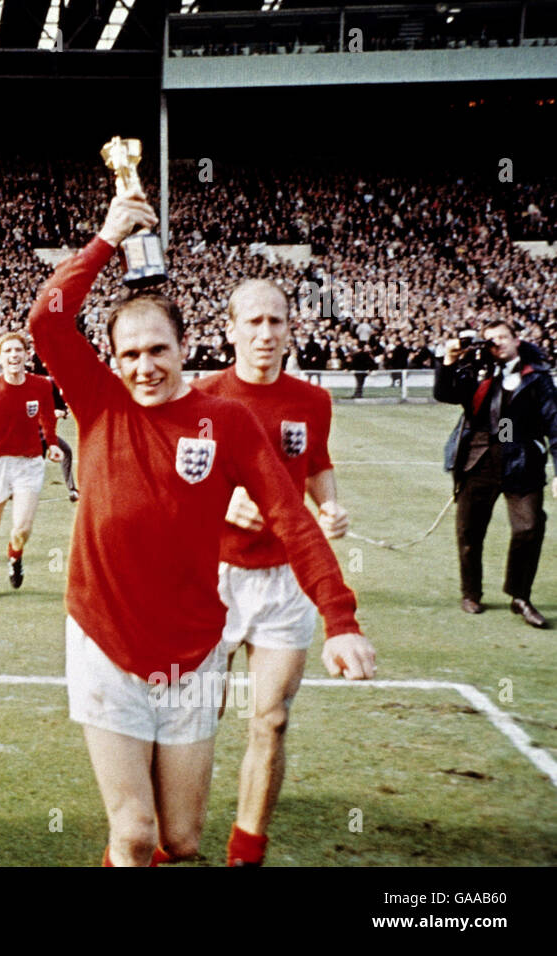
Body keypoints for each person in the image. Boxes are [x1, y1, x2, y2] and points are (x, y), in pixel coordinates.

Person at [29, 187, 374, 868]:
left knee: (179, 842)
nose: (143, 367)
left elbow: (293, 522)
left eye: (158, 350)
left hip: (191, 648)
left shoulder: (228, 422)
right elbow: (47, 321)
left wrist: (342, 617)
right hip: (104, 634)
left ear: (187, 346)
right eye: (127, 355)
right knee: (131, 831)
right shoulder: (98, 403)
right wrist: (103, 241)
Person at [191, 279, 370, 866]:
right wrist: (218, 503)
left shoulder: (313, 401)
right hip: (210, 577)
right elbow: (170, 483)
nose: (265, 334)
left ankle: (247, 848)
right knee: (197, 714)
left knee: (269, 718)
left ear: (291, 329)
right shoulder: (201, 396)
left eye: (276, 322)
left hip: (286, 579)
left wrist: (330, 504)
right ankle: (175, 835)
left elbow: (316, 463)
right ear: (231, 329)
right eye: (253, 322)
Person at [435, 320, 557, 627]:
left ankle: (520, 596)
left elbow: (555, 425)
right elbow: (445, 393)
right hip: (478, 458)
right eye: (491, 339)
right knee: (469, 531)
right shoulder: (476, 372)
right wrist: (450, 360)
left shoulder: (537, 377)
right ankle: (471, 592)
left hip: (522, 459)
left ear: (516, 340)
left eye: (503, 337)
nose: (498, 343)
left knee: (529, 527)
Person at [0, 332, 62, 598]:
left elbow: (48, 416)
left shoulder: (40, 384)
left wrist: (51, 443)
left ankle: (15, 557)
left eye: (18, 350)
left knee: (22, 528)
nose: (14, 356)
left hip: (29, 463)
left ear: (27, 355)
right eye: (8, 351)